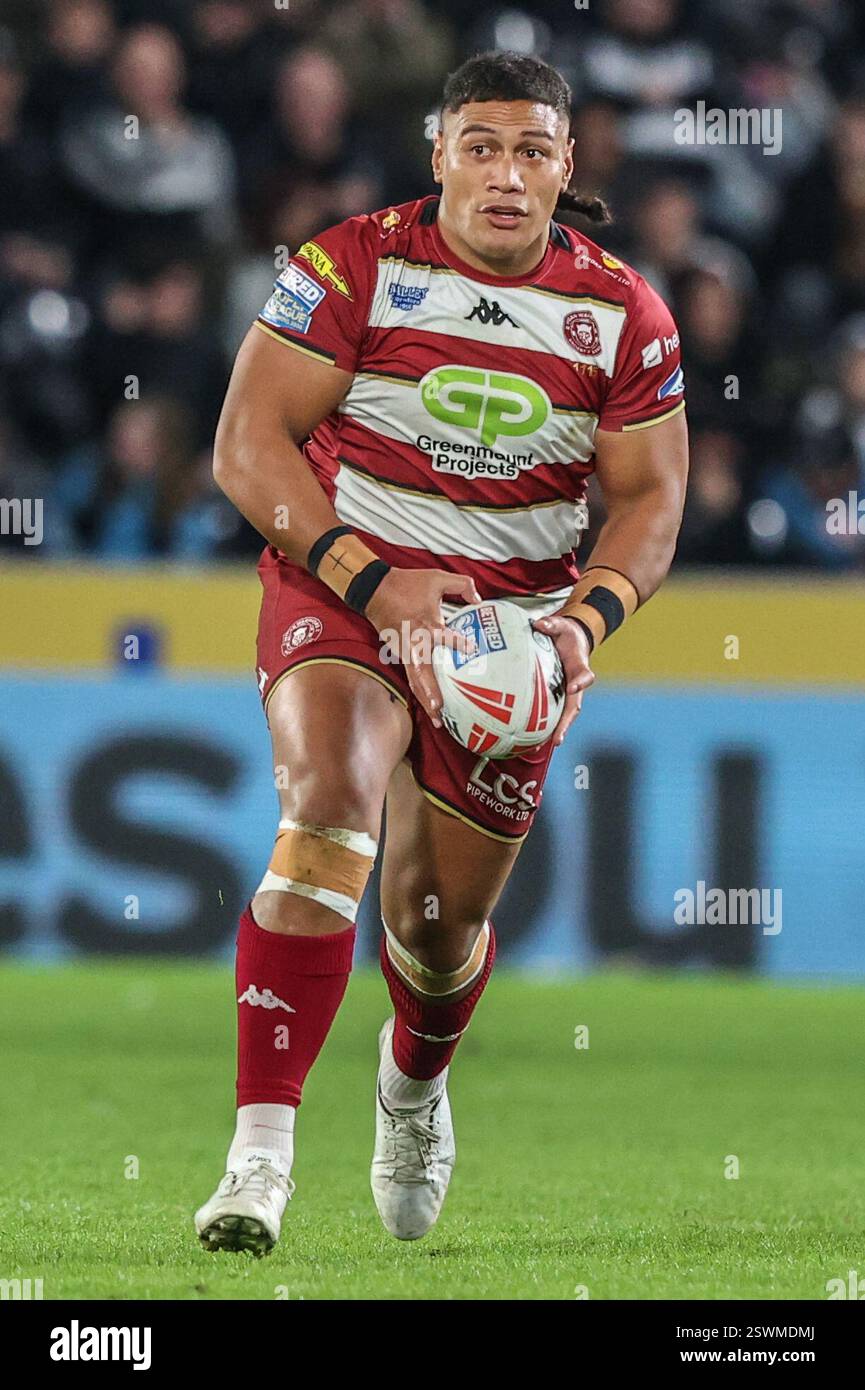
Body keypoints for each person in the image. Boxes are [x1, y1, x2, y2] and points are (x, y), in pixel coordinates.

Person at [194, 49, 689, 1254]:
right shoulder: (354, 265)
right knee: (325, 814)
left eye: (530, 151)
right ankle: (258, 1158)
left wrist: (582, 621)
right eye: (481, 147)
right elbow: (248, 447)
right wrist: (375, 580)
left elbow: (650, 501)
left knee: (430, 927)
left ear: (566, 167)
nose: (504, 174)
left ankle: (412, 1086)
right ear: (440, 156)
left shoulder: (622, 315)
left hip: (510, 634)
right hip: (348, 587)